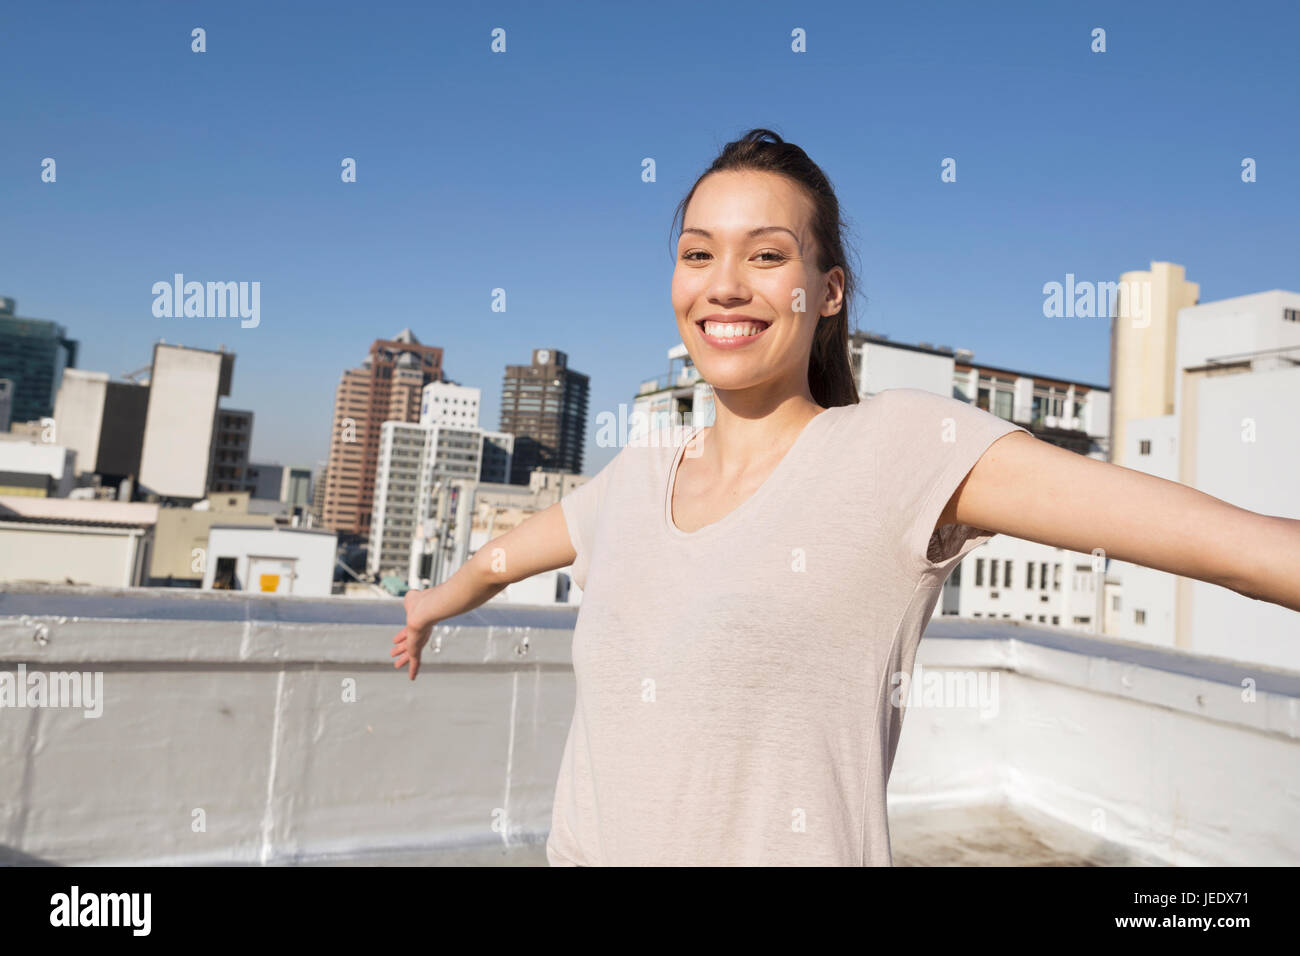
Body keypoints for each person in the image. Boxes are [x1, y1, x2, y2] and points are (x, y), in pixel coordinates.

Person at [390, 128, 1300, 866]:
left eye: (767, 254)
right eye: (698, 253)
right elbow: (509, 554)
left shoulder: (901, 447)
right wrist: (434, 603)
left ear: (826, 293)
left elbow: (1247, 550)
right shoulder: (639, 474)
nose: (724, 285)